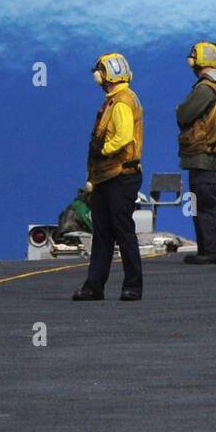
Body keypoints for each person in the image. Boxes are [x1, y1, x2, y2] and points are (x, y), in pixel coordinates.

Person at [73, 52, 144, 301]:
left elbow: (123, 137)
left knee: (121, 230)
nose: (96, 75)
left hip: (120, 176)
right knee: (103, 232)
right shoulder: (115, 99)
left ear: (107, 74)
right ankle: (94, 286)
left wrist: (103, 149)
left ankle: (133, 285)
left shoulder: (122, 101)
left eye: (99, 70)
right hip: (108, 176)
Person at [178, 41, 216, 264]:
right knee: (202, 201)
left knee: (205, 202)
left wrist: (179, 110)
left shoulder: (204, 89)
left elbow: (184, 114)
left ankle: (214, 251)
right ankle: (208, 248)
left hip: (203, 154)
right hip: (210, 153)